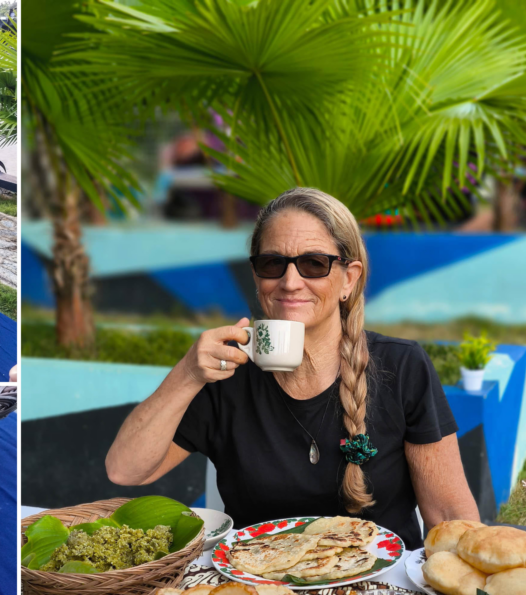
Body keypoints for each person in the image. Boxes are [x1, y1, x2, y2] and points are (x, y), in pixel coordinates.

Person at [105, 187, 480, 550]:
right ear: (256, 277)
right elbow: (126, 470)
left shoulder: (401, 366)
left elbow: (448, 514)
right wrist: (187, 373)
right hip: (260, 593)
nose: (289, 281)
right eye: (272, 263)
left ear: (348, 278)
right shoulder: (225, 372)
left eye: (313, 264)